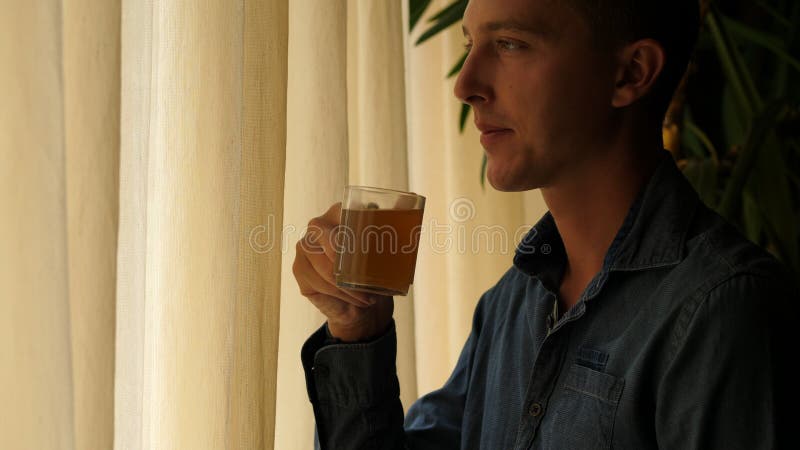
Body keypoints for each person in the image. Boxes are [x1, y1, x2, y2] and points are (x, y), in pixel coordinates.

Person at [292, 0, 798, 448]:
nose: (465, 85)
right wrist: (358, 330)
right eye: (471, 43)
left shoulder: (724, 309)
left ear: (630, 73)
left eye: (510, 44)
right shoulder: (511, 304)